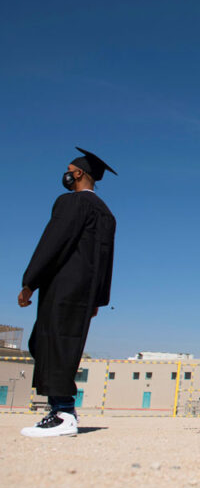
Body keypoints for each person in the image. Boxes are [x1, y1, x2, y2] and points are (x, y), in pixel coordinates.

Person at [18, 147, 117, 437]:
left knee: (53, 344)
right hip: (85, 291)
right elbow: (106, 259)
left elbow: (53, 242)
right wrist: (99, 298)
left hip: (63, 284)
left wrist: (29, 281)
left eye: (70, 169)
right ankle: (61, 409)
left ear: (79, 174)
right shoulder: (106, 213)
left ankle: (63, 413)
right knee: (53, 343)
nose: (66, 173)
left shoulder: (71, 202)